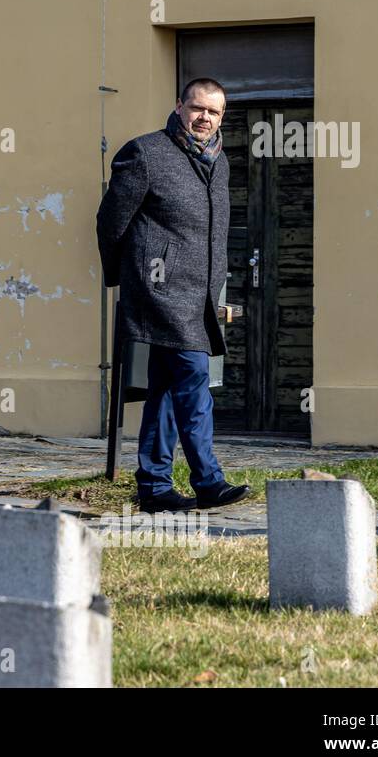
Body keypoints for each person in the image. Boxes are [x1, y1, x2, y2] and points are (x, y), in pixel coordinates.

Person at [96, 77, 251, 513]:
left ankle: (154, 486)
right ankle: (208, 481)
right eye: (197, 108)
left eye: (214, 112)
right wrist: (127, 278)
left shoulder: (219, 160)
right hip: (159, 290)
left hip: (199, 293)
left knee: (164, 387)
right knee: (194, 378)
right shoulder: (144, 153)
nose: (205, 117)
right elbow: (110, 222)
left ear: (222, 117)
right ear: (179, 105)